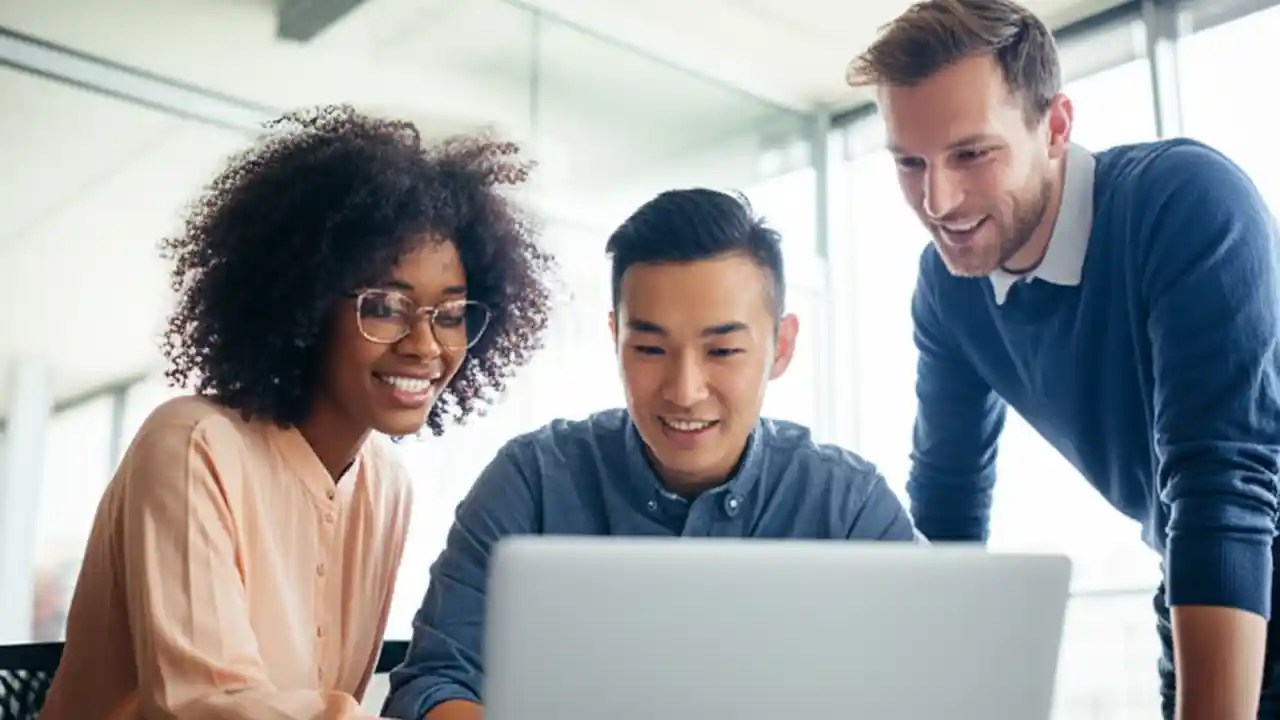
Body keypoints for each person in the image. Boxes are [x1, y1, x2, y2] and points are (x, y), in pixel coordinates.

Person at [40, 104, 554, 719]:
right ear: (306, 308)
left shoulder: (385, 485)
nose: (425, 345)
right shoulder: (192, 444)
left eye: (450, 315)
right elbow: (208, 706)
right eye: (386, 306)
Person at [846, 1, 1280, 717]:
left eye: (972, 154)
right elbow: (948, 503)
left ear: (1054, 127)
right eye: (909, 164)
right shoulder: (948, 290)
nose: (938, 201)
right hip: (1196, 584)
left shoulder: (1186, 202)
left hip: (1232, 558)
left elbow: (1222, 487)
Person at [380, 188, 919, 720]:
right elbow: (433, 680)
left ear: (781, 346)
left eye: (723, 351)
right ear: (615, 338)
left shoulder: (849, 507)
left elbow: (931, 681)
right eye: (651, 349)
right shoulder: (533, 482)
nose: (685, 390)